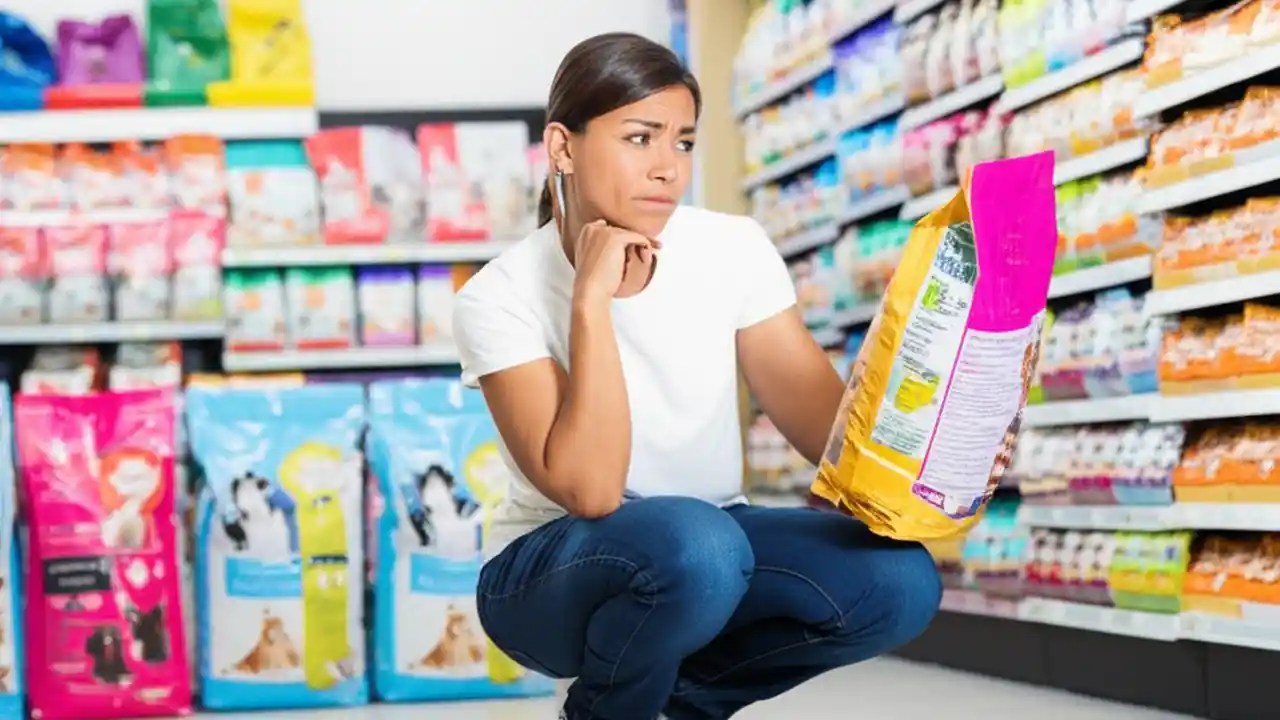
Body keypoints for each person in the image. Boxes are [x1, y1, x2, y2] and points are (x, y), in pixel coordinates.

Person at [452, 32, 941, 720]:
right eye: (639, 138)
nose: (667, 169)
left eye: (681, 142)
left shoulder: (730, 247)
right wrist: (591, 300)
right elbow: (592, 491)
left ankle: (685, 705)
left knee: (898, 580)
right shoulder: (497, 296)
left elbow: (832, 437)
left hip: (712, 547)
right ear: (562, 147)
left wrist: (950, 434)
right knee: (699, 546)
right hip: (549, 576)